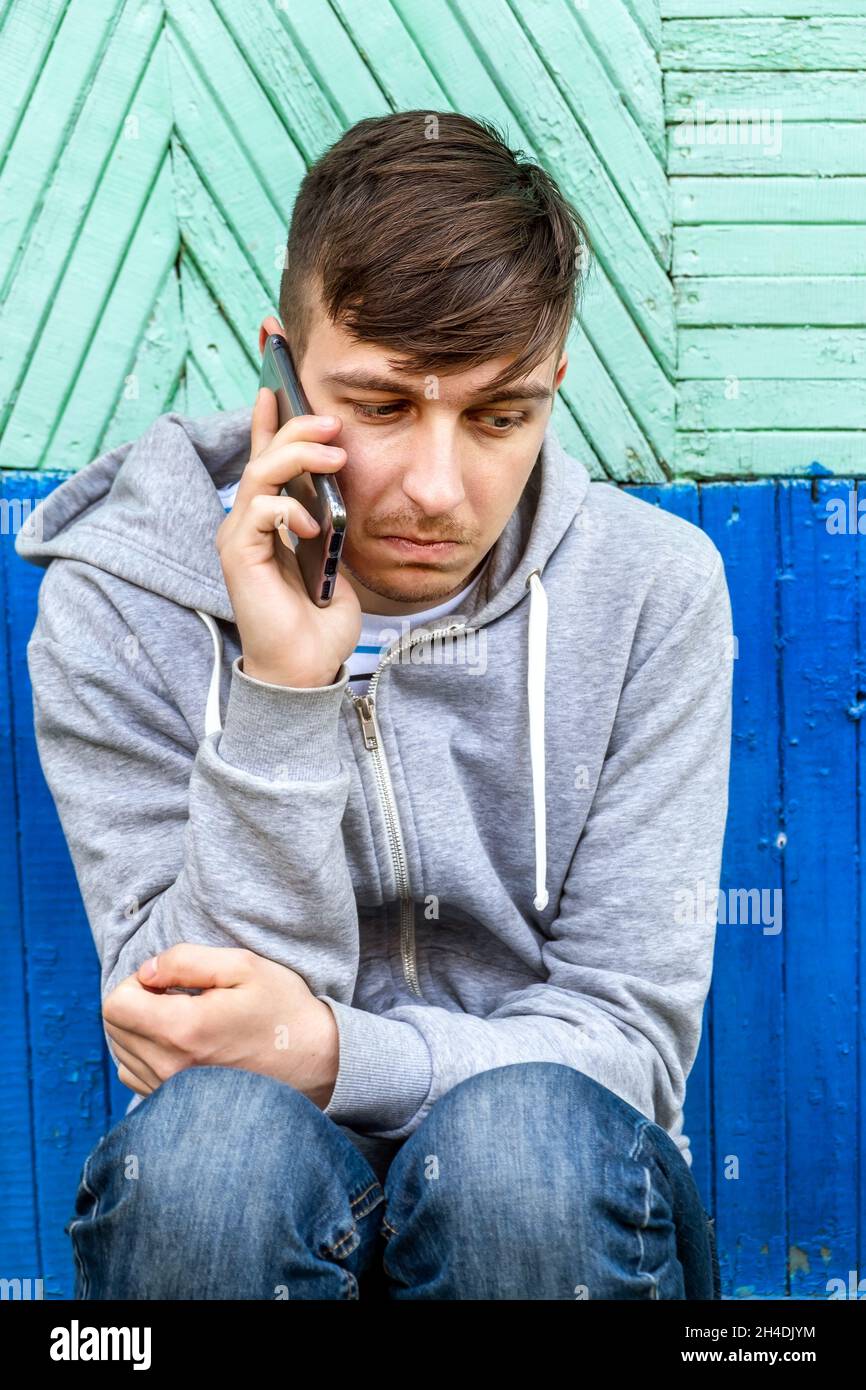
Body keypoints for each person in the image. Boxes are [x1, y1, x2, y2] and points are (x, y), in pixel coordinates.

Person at [16, 110, 730, 1300]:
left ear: (554, 385)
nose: (437, 488)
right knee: (212, 1160)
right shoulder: (118, 597)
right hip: (256, 1205)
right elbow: (180, 1034)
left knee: (525, 1160)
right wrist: (285, 688)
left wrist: (332, 1052)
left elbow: (628, 1050)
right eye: (383, 406)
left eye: (501, 416)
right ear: (279, 370)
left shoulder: (651, 591)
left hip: (558, 1206)